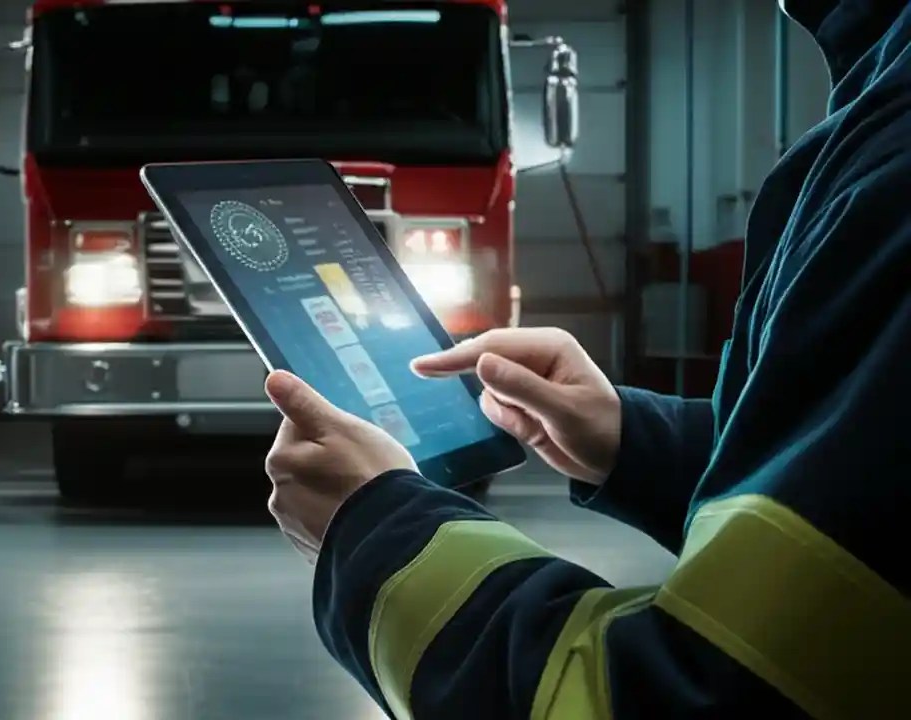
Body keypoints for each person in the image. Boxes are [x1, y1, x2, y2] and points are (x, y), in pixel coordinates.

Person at [261, 1, 910, 717]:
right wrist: (633, 440)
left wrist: (375, 532)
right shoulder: (877, 96)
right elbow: (863, 495)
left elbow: (674, 699)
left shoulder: (896, 159)